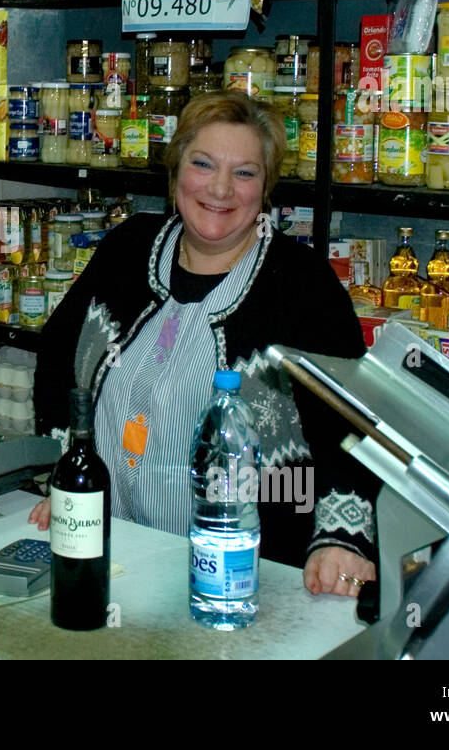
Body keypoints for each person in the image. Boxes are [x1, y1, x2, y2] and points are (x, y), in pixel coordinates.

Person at [30, 92, 379, 598]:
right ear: (175, 176)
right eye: (203, 164)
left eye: (244, 173)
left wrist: (341, 538)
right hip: (112, 553)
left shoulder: (302, 285)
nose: (220, 189)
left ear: (266, 190)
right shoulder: (127, 250)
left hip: (245, 575)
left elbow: (354, 423)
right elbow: (59, 360)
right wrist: (67, 478)